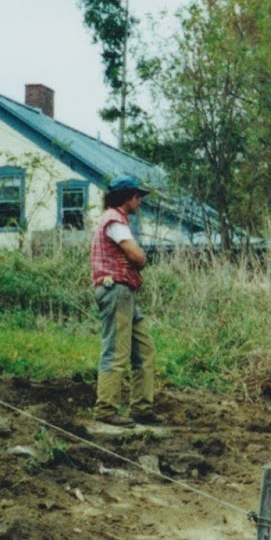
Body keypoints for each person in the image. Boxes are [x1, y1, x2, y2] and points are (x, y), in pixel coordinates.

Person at [89, 175, 159, 426]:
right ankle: (106, 410)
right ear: (126, 197)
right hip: (116, 290)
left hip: (123, 291)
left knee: (144, 350)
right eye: (137, 197)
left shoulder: (114, 219)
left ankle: (141, 408)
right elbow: (137, 256)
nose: (139, 201)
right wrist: (140, 258)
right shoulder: (115, 219)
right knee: (116, 352)